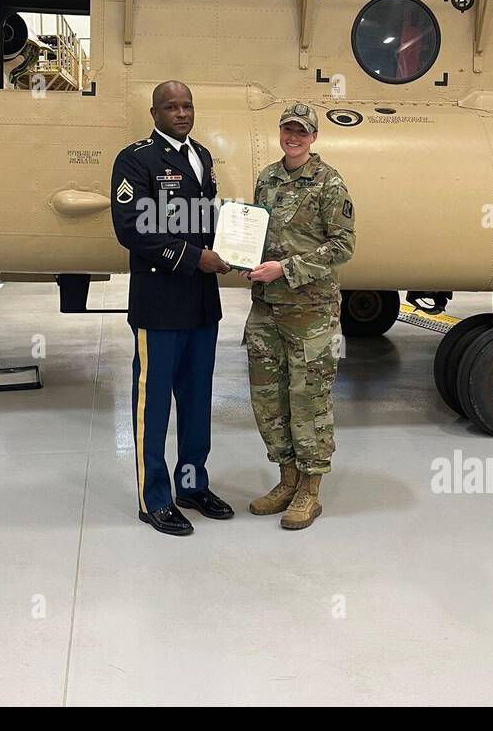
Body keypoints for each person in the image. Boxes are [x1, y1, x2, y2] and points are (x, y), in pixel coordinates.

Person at [110, 81, 234, 536]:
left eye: (187, 106)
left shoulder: (201, 155)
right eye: (171, 107)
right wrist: (194, 257)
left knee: (198, 400)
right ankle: (155, 498)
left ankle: (191, 484)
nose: (181, 113)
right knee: (154, 403)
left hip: (202, 303)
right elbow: (133, 228)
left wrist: (233, 240)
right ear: (154, 112)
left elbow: (204, 219)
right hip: (160, 303)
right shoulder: (136, 159)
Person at [245, 103, 356, 530]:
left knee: (307, 399)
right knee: (268, 399)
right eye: (287, 130)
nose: (293, 137)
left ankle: (310, 490)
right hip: (266, 308)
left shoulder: (329, 183)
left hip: (311, 312)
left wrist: (286, 269)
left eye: (301, 132)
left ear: (313, 138)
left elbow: (342, 247)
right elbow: (256, 233)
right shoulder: (267, 178)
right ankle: (286, 479)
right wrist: (242, 257)